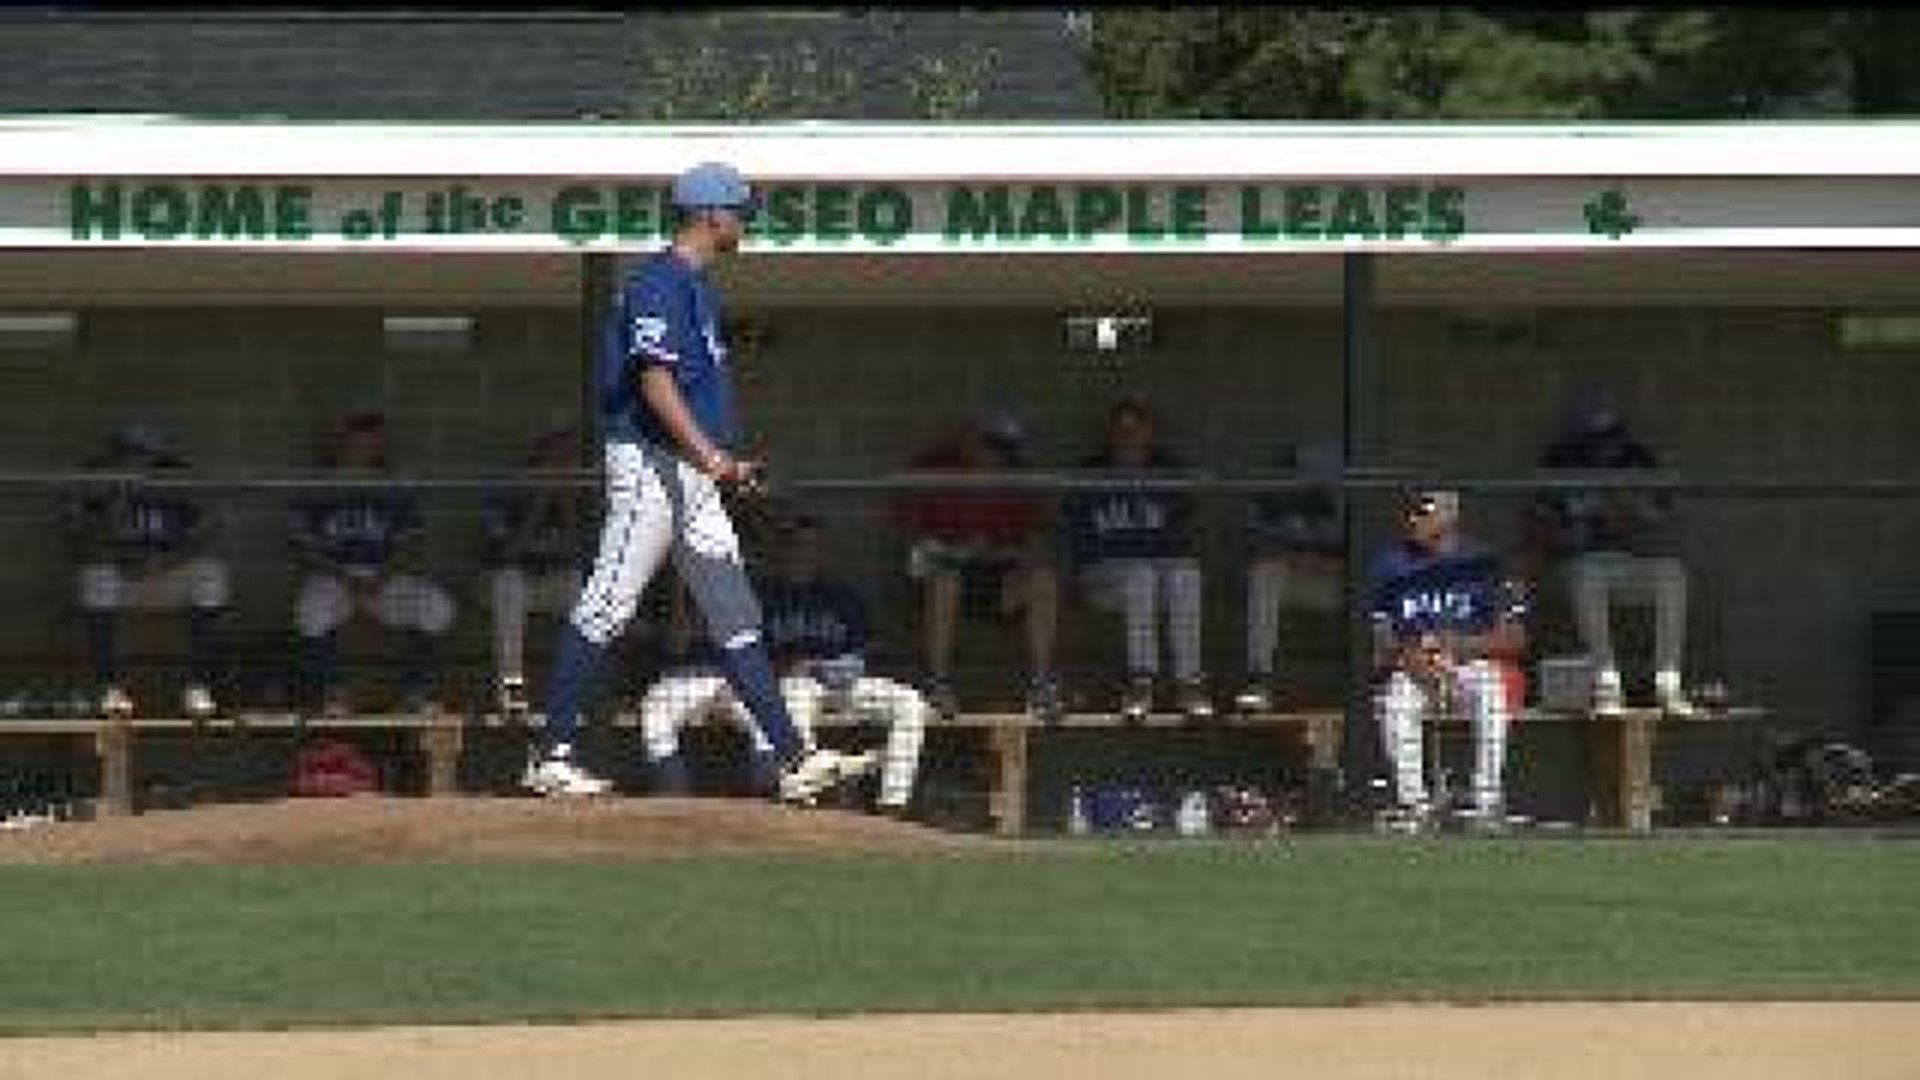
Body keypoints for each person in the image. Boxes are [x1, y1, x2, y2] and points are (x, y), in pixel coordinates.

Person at [522, 160, 873, 802]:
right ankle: (551, 754)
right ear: (710, 214)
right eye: (738, 211)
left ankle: (794, 759)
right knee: (606, 605)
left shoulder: (696, 287)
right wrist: (712, 456)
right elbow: (653, 382)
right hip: (652, 465)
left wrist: (715, 464)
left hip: (691, 475)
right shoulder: (661, 281)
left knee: (735, 615)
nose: (744, 222)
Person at [639, 511, 927, 815]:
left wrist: (840, 665)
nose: (803, 552)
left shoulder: (842, 595)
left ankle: (892, 802)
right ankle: (798, 791)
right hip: (793, 682)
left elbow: (865, 650)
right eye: (795, 545)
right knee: (787, 703)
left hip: (845, 681)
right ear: (782, 549)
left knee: (910, 702)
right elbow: (740, 652)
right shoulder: (764, 595)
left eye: (811, 545)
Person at [1368, 489, 1528, 833]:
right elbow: (1380, 638)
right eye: (1410, 512)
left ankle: (1486, 801)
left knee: (1491, 692)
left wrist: (1457, 647)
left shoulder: (1485, 561)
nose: (1413, 519)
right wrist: (1417, 664)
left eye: (1424, 512)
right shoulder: (1389, 564)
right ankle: (1414, 805)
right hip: (1412, 664)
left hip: (1470, 664)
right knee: (1396, 702)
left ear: (1450, 515)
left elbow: (1515, 638)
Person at [1526, 395, 1693, 718]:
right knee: (1590, 573)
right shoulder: (1560, 461)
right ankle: (1607, 683)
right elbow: (1539, 526)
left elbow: (1660, 516)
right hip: (1571, 565)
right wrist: (1580, 519)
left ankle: (1668, 681)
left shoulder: (1635, 460)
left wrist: (1632, 509)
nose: (1605, 450)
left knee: (1672, 572)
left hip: (1624, 560)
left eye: (1611, 440)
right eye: (1597, 443)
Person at [893, 411, 1062, 720]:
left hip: (995, 580)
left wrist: (1011, 556)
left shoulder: (1016, 476)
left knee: (1043, 579)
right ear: (969, 440)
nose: (995, 456)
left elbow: (1037, 542)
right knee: (946, 578)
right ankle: (938, 683)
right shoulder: (932, 469)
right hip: (938, 581)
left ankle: (1041, 684)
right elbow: (913, 550)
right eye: (990, 445)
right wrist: (958, 550)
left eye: (1003, 449)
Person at [289, 409, 457, 716]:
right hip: (334, 577)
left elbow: (411, 544)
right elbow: (304, 548)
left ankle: (415, 692)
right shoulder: (317, 485)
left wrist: (382, 577)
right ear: (342, 443)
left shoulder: (394, 485)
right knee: (309, 611)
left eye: (372, 442)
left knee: (438, 606)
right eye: (357, 440)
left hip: (386, 577)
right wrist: (345, 577)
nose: (364, 448)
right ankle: (334, 692)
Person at [64, 423, 230, 719]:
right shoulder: (96, 478)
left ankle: (198, 685)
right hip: (122, 577)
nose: (137, 460)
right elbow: (79, 539)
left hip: (167, 573)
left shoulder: (176, 476)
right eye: (129, 452)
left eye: (144, 454)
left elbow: (209, 528)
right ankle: (110, 688)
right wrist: (121, 553)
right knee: (95, 576)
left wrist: (168, 560)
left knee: (210, 573)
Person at [1061, 398, 1211, 722]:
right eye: (1122, 429)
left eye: (1137, 428)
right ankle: (1140, 683)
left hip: (1156, 574)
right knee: (1140, 574)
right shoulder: (1091, 472)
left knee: (1187, 572)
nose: (1129, 436)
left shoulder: (1167, 470)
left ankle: (1189, 683)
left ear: (1150, 433)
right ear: (1110, 433)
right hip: (1104, 575)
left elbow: (1181, 535)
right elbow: (1076, 540)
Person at [482, 425, 587, 717]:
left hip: (554, 581)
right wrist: (540, 503)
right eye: (554, 454)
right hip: (511, 580)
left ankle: (573, 690)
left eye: (567, 457)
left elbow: (584, 556)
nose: (561, 464)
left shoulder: (582, 492)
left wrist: (566, 507)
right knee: (509, 585)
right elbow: (506, 555)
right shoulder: (509, 490)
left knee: (582, 588)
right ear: (538, 454)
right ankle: (511, 688)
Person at [1238, 436, 1346, 713]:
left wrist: (1321, 559)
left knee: (1375, 583)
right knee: (1263, 575)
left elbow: (1355, 551)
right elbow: (1257, 548)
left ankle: (1371, 684)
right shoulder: (1270, 501)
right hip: (1291, 577)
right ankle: (1259, 679)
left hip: (1332, 580)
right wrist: (1299, 556)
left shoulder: (1341, 500)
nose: (1305, 479)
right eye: (1296, 470)